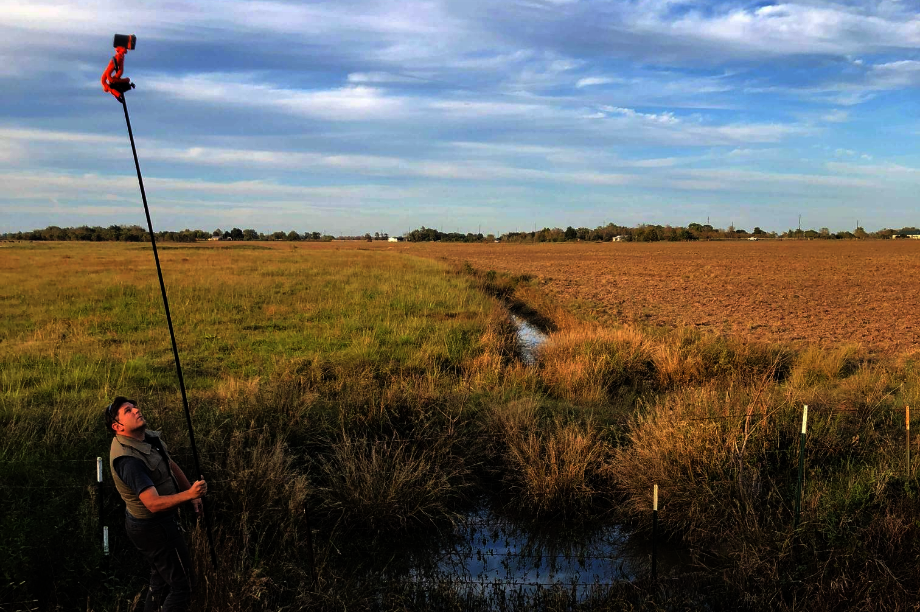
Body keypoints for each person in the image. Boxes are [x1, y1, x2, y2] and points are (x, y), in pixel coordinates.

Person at [105, 396, 207, 612]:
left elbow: (168, 463)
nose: (136, 410)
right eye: (128, 411)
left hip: (157, 524)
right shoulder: (128, 460)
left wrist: (192, 494)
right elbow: (152, 504)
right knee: (183, 586)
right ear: (117, 426)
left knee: (160, 581)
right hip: (153, 528)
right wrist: (189, 494)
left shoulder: (146, 439)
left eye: (134, 407)